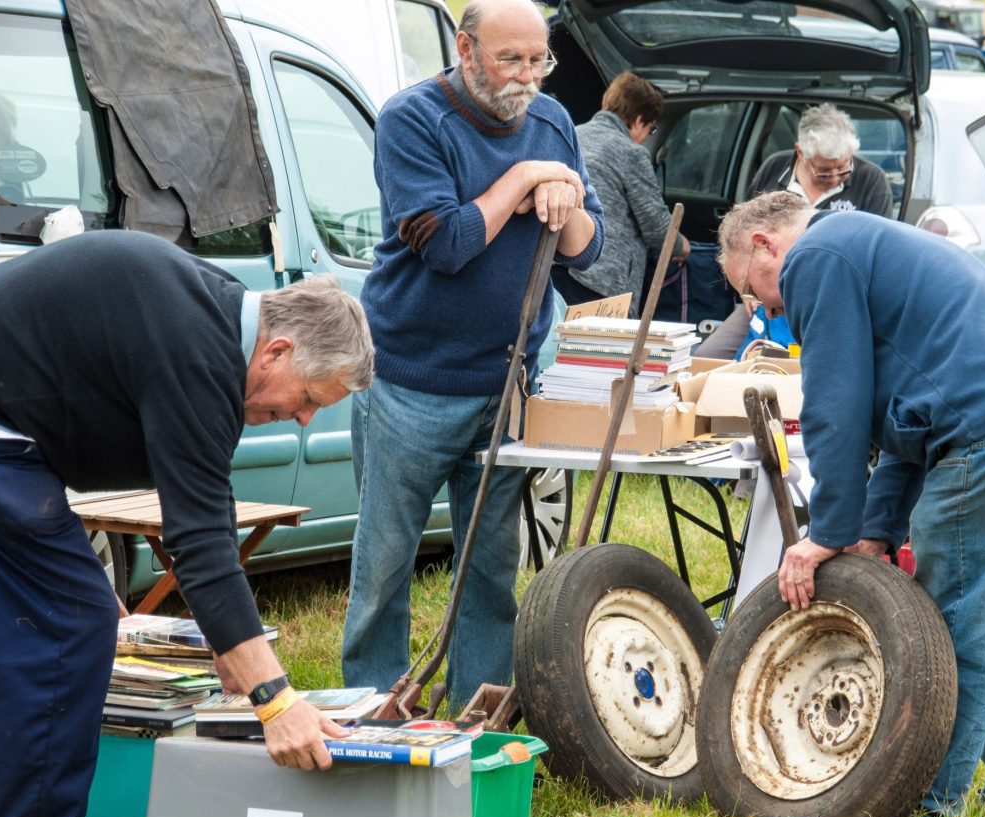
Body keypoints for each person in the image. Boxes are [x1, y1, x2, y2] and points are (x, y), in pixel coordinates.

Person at [0, 229, 374, 817]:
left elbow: (188, 504)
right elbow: (201, 541)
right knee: (69, 619)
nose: (302, 421)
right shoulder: (199, 354)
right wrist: (275, 700)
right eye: (311, 400)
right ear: (279, 350)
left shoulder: (210, 326)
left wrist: (226, 639)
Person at [717, 192, 985, 817]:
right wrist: (872, 532)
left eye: (749, 286)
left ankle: (930, 807)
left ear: (765, 244)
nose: (764, 305)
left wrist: (828, 533)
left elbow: (835, 405)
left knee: (953, 631)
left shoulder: (814, 256)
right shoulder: (864, 245)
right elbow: (908, 422)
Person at [341, 0, 602, 701]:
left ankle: (475, 716)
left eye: (539, 60)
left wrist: (565, 197)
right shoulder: (412, 119)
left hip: (507, 380)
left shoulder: (552, 124)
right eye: (509, 59)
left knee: (491, 563)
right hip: (411, 381)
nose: (527, 76)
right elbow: (448, 245)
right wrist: (522, 180)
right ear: (464, 48)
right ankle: (372, 711)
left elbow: (590, 249)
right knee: (386, 564)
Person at [697, 103, 891, 359]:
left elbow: (873, 257)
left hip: (832, 306)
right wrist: (751, 291)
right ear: (800, 152)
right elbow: (742, 233)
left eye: (843, 168)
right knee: (707, 357)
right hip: (766, 302)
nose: (834, 177)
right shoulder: (774, 169)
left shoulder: (871, 180)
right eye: (824, 170)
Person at [553, 71, 688, 309]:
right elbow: (656, 226)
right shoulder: (630, 153)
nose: (647, 136)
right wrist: (682, 245)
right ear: (638, 120)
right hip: (601, 283)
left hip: (556, 269)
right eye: (651, 128)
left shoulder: (571, 135)